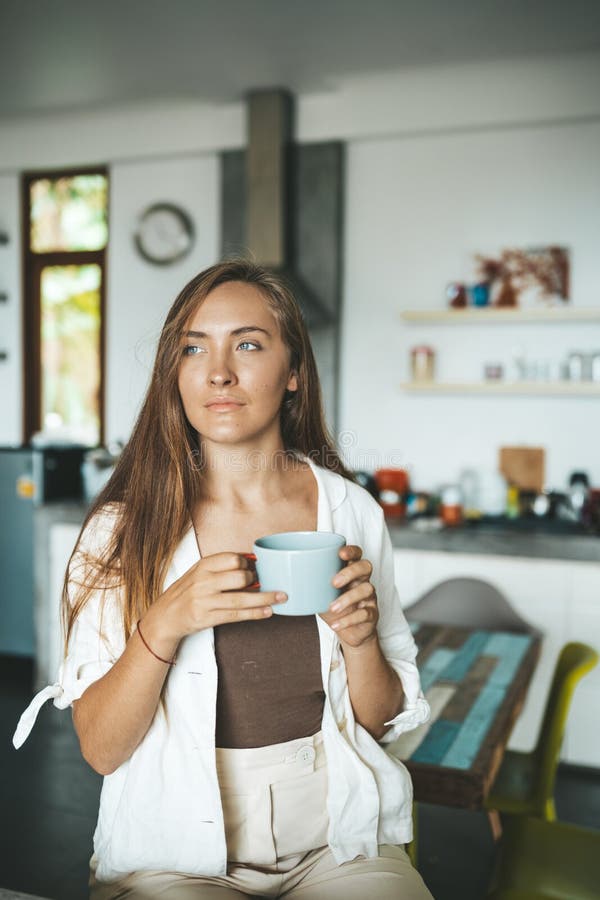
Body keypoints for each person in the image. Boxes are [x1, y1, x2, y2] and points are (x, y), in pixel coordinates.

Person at [14, 259, 432, 899]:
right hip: (174, 851)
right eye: (193, 347)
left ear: (293, 372)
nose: (219, 372)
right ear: (173, 373)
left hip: (338, 836)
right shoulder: (121, 533)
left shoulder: (351, 512)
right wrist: (164, 623)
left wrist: (360, 640)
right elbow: (100, 750)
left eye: (247, 344)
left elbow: (376, 725)